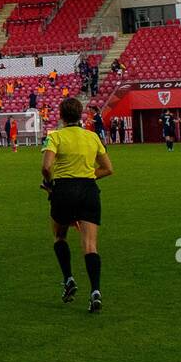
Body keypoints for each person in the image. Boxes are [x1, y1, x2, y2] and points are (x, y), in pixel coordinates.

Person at [42, 97, 113, 313]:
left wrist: (51, 185)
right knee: (90, 245)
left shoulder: (55, 136)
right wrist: (86, 175)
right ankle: (95, 291)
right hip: (89, 191)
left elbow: (46, 167)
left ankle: (69, 279)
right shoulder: (92, 137)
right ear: (80, 114)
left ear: (61, 116)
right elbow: (108, 168)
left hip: (63, 190)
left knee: (60, 236)